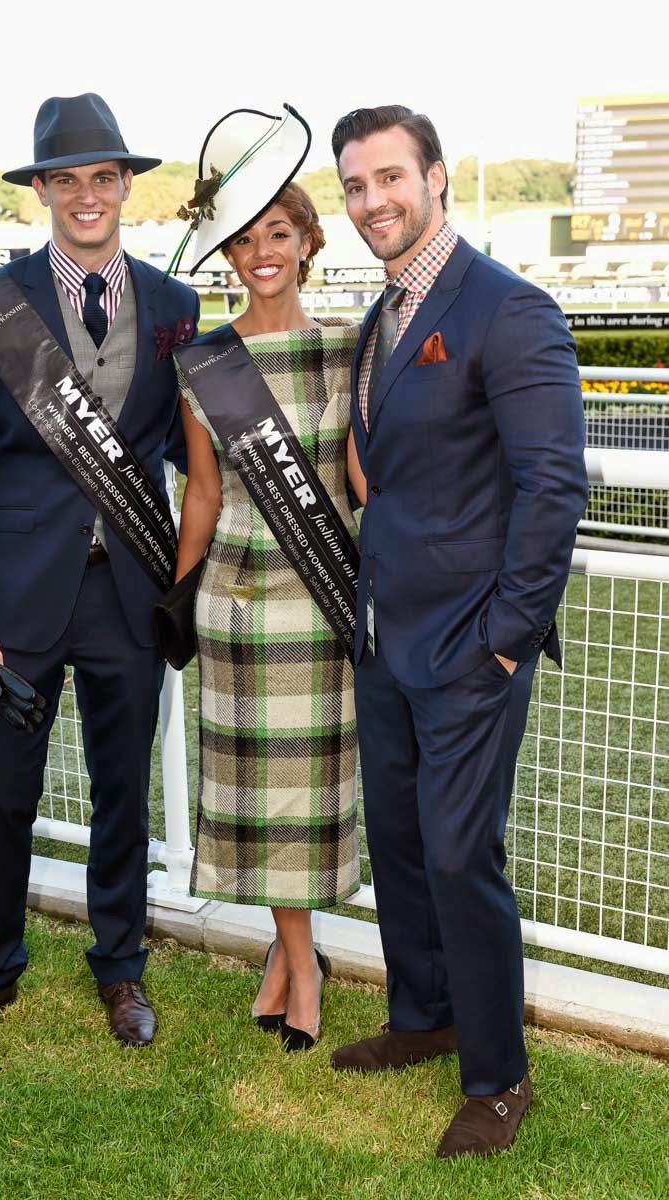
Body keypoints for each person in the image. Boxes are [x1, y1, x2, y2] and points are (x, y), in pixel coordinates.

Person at [329, 105, 587, 1156]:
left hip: (471, 646)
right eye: (354, 186)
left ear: (434, 177)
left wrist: (507, 636)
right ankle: (421, 1014)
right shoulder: (381, 313)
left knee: (456, 851)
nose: (372, 201)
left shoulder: (506, 308)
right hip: (387, 634)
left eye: (389, 177)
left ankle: (497, 1078)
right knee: (397, 842)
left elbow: (553, 485)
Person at [0, 93, 198, 1055]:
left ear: (125, 186)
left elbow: (182, 449)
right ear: (40, 190)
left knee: (123, 790)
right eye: (65, 179)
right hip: (11, 602)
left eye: (103, 177)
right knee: (1, 794)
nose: (86, 195)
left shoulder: (175, 307)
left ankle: (120, 969)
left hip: (128, 591)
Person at [172, 105, 364, 1052]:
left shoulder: (348, 346)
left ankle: (293, 964)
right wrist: (178, 595)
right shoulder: (205, 360)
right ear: (226, 255)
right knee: (257, 797)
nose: (261, 253)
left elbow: (363, 483)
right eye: (243, 240)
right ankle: (297, 962)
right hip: (239, 610)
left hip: (323, 606)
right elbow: (203, 495)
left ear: (307, 240)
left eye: (277, 234)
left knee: (309, 797)